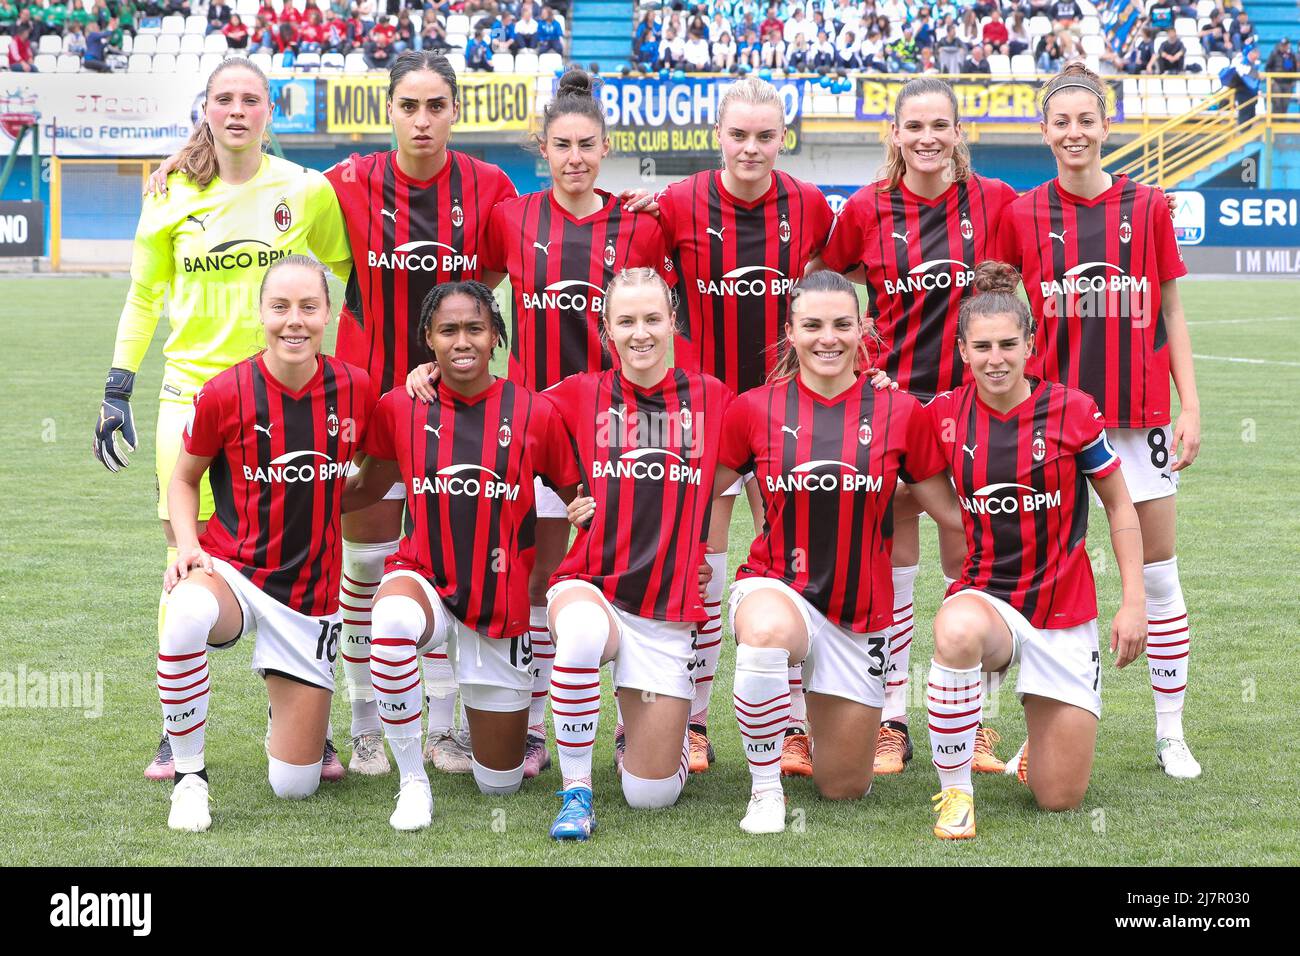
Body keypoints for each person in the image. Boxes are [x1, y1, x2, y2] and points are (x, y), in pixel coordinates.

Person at [407, 69, 667, 778]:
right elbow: (466, 304)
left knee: (618, 572)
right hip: (526, 428)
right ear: (542, 149)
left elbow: (667, 317)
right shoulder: (513, 218)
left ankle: (633, 723)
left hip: (617, 429)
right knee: (532, 576)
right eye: (562, 145)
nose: (575, 157)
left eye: (587, 145)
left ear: (606, 147)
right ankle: (529, 729)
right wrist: (435, 364)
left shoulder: (642, 222)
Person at [101, 59, 353, 783]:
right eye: (224, 99)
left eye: (251, 99)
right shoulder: (171, 190)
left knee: (298, 552)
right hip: (189, 398)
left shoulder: (305, 190)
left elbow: (344, 274)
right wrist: (119, 385)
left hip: (281, 405)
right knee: (186, 559)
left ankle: (307, 720)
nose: (237, 110)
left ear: (271, 111)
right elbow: (145, 296)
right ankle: (172, 731)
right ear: (205, 110)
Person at [995, 60, 1203, 779]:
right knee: (1049, 579)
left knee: (1158, 576)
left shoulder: (1147, 208)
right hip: (1052, 425)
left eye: (1088, 119)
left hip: (1137, 420)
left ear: (1107, 126)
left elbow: (1171, 309)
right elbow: (999, 313)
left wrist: (1191, 406)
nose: (1075, 132)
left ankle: (1170, 733)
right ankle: (1041, 733)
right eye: (1063, 121)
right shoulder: (1022, 214)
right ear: (1044, 130)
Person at [625, 77, 835, 777]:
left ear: (784, 137)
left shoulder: (807, 206)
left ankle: (800, 724)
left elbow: (833, 296)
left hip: (786, 418)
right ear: (718, 136)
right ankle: (689, 723)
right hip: (706, 418)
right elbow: (641, 299)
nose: (751, 147)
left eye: (765, 135)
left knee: (795, 563)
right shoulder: (678, 204)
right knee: (701, 569)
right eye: (738, 134)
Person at [816, 76, 1019, 776]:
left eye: (941, 124)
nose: (928, 137)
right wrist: (860, 339)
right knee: (895, 568)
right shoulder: (868, 209)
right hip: (894, 410)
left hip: (975, 413)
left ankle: (978, 722)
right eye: (915, 126)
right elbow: (825, 280)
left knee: (972, 560)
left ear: (958, 132)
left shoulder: (995, 202)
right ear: (894, 135)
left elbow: (1045, 253)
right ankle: (892, 720)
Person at [715, 270, 962, 834]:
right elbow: (701, 492)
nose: (828, 338)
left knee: (844, 787)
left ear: (862, 330)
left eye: (841, 325)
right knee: (766, 632)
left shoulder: (900, 413)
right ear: (791, 333)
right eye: (813, 325)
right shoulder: (753, 409)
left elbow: (947, 509)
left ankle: (818, 734)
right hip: (779, 585)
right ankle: (764, 791)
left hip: (860, 613)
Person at [924, 260, 1147, 840]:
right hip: (986, 599)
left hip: (1063, 607)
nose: (995, 358)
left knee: (1059, 799)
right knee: (955, 634)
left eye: (1007, 344)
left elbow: (1120, 507)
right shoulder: (943, 417)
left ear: (1030, 343)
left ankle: (1037, 742)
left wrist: (1134, 602)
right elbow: (898, 480)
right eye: (981, 347)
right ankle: (955, 795)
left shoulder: (1073, 410)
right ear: (962, 351)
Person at [158, 257, 374, 832]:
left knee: (295, 787)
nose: (294, 321)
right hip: (233, 572)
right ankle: (188, 778)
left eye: (308, 307)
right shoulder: (226, 392)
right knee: (184, 611)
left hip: (310, 599)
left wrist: (333, 501)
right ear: (261, 312)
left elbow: (377, 472)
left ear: (328, 314)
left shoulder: (356, 389)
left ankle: (286, 706)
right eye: (280, 307)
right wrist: (186, 547)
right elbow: (182, 479)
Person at [351, 283, 577, 831]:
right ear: (428, 340)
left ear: (496, 336)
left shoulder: (535, 412)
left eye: (475, 328)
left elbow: (577, 497)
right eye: (448, 330)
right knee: (391, 617)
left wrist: (566, 564)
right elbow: (366, 486)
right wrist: (294, 505)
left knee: (497, 780)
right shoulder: (400, 406)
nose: (462, 341)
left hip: (500, 605)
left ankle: (492, 732)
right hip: (424, 576)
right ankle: (411, 783)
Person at [537, 269, 732, 838]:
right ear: (606, 330)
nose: (640, 332)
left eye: (652, 318)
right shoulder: (577, 394)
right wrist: (429, 374)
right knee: (575, 631)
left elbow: (786, 420)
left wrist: (875, 386)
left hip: (664, 609)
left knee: (650, 796)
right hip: (590, 584)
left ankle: (636, 727)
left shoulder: (714, 399)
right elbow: (494, 406)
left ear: (673, 322)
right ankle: (575, 791)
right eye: (626, 321)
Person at [1265, 38, 1296, 115]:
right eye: (1282, 45)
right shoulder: (1274, 54)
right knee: (1277, 103)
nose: (1283, 47)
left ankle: (1282, 122)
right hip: (1276, 82)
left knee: (1285, 104)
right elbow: (1268, 67)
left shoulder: (1291, 55)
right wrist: (1271, 79)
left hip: (1288, 83)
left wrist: (1293, 81)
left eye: (1285, 45)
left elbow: (1294, 69)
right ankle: (1274, 123)